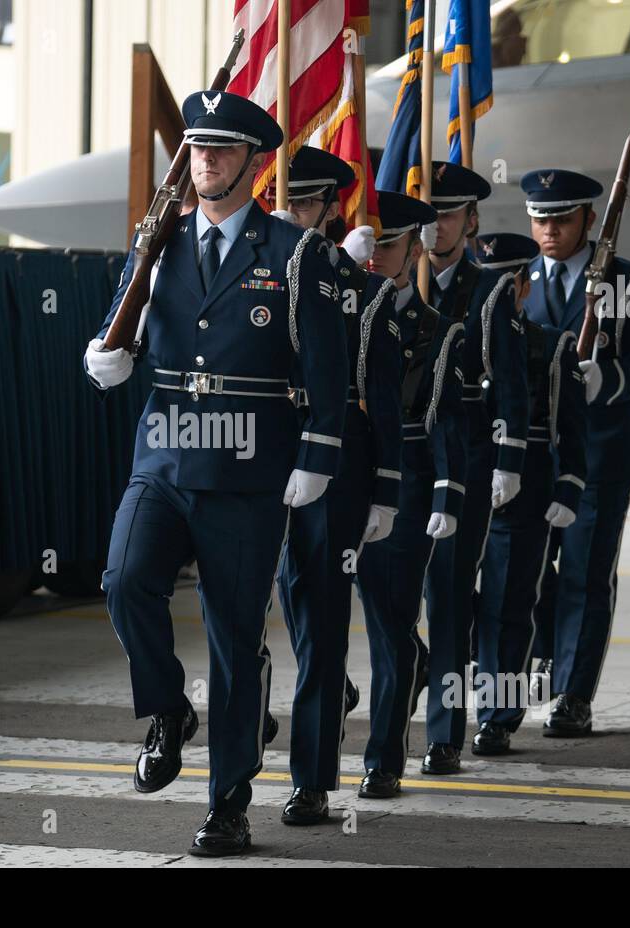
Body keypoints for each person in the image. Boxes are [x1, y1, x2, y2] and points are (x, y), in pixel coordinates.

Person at [84, 90, 347, 857]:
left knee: (235, 639)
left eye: (223, 150)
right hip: (164, 450)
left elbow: (326, 369)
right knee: (125, 579)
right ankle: (169, 707)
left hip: (249, 468)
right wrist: (106, 354)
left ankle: (228, 802)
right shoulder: (156, 245)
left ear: (255, 163)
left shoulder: (294, 253)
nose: (207, 160)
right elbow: (115, 340)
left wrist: (318, 454)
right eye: (199, 148)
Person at [271, 147, 402, 825]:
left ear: (328, 210)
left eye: (300, 203)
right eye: (280, 201)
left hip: (337, 465)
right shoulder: (255, 273)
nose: (286, 214)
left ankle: (312, 778)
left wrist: (385, 488)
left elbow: (382, 401)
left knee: (321, 621)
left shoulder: (368, 293)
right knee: (279, 611)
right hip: (256, 457)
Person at [518, 168, 630, 737]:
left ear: (589, 220)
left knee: (585, 572)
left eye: (560, 219)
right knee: (526, 571)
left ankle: (574, 695)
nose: (549, 229)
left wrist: (605, 377)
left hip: (602, 451)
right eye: (539, 218)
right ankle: (548, 654)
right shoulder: (512, 277)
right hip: (533, 454)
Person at [355, 189, 466, 796]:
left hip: (405, 489)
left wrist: (447, 496)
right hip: (339, 481)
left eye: (387, 244)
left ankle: (382, 758)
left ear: (413, 249)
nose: (372, 256)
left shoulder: (434, 333)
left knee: (389, 624)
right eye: (366, 244)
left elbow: (447, 423)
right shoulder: (337, 313)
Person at [421, 161, 530, 774]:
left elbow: (511, 385)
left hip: (463, 460)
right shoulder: (390, 281)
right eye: (428, 213)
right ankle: (408, 671)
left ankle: (443, 733)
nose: (435, 226)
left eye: (448, 214)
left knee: (450, 600)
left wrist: (508, 460)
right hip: (400, 458)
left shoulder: (489, 291)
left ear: (471, 221)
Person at [470, 233, 586, 755]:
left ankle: (498, 714)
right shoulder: (461, 340)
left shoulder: (549, 345)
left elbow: (569, 429)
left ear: (520, 288)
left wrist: (568, 486)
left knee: (508, 605)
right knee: (455, 604)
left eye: (503, 287)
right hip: (465, 485)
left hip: (525, 492)